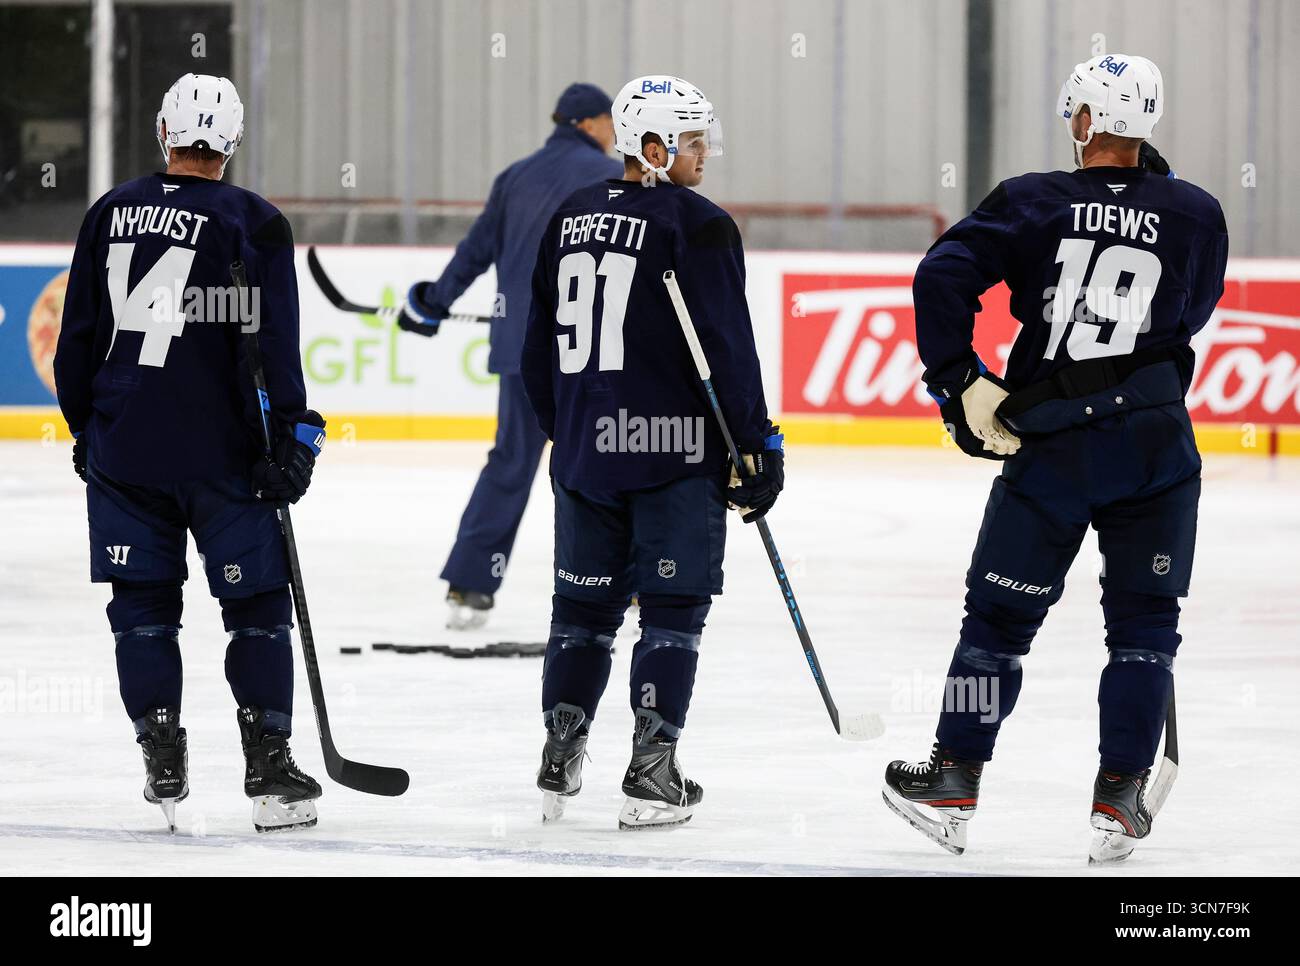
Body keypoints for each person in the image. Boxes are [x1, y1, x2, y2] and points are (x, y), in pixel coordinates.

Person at [882, 54, 1228, 862]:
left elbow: (941, 275)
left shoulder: (1035, 199)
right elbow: (1194, 310)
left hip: (1057, 448)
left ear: (1082, 123)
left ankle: (954, 779)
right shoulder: (1196, 211)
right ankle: (1121, 800)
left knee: (996, 625)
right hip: (1155, 447)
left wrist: (958, 380)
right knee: (1146, 628)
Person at [54, 73, 325, 833]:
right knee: (256, 607)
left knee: (142, 609)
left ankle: (162, 755)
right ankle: (270, 770)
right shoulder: (253, 221)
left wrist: (88, 429)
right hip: (224, 455)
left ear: (163, 133)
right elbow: (271, 352)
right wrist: (291, 440)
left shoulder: (109, 212)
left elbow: (77, 344)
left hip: (124, 448)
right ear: (232, 142)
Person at [520, 75, 784, 829]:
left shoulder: (570, 215)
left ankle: (558, 756)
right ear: (654, 146)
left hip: (583, 457)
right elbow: (728, 349)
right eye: (694, 140)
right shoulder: (695, 223)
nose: (706, 154)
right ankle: (651, 770)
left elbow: (535, 351)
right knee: (673, 611)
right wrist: (757, 446)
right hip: (670, 458)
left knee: (582, 607)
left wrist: (566, 428)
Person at [401, 83, 623, 630]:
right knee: (609, 465)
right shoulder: (613, 180)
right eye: (611, 122)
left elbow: (475, 251)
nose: (616, 133)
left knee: (510, 464)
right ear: (589, 123)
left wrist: (432, 304)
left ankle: (470, 585)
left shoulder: (515, 176)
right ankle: (628, 585)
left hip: (521, 352)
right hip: (588, 354)